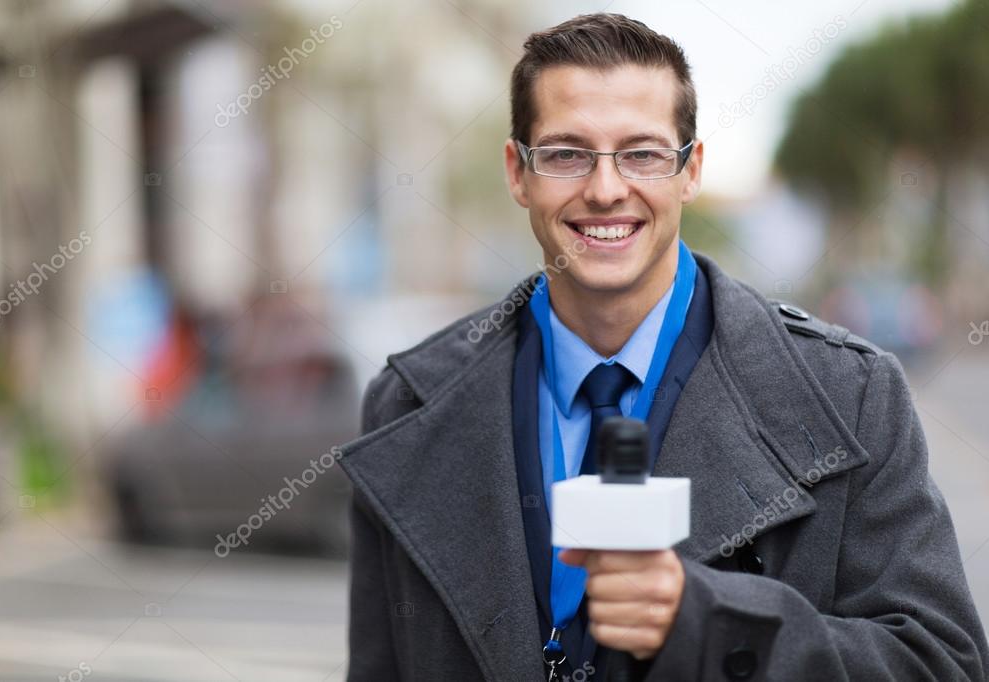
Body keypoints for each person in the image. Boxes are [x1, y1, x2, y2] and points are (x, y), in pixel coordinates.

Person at [337, 12, 989, 681]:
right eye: (565, 154)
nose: (604, 190)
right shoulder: (406, 405)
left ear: (690, 170)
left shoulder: (852, 396)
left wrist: (711, 623)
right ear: (517, 172)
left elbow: (941, 664)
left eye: (642, 154)